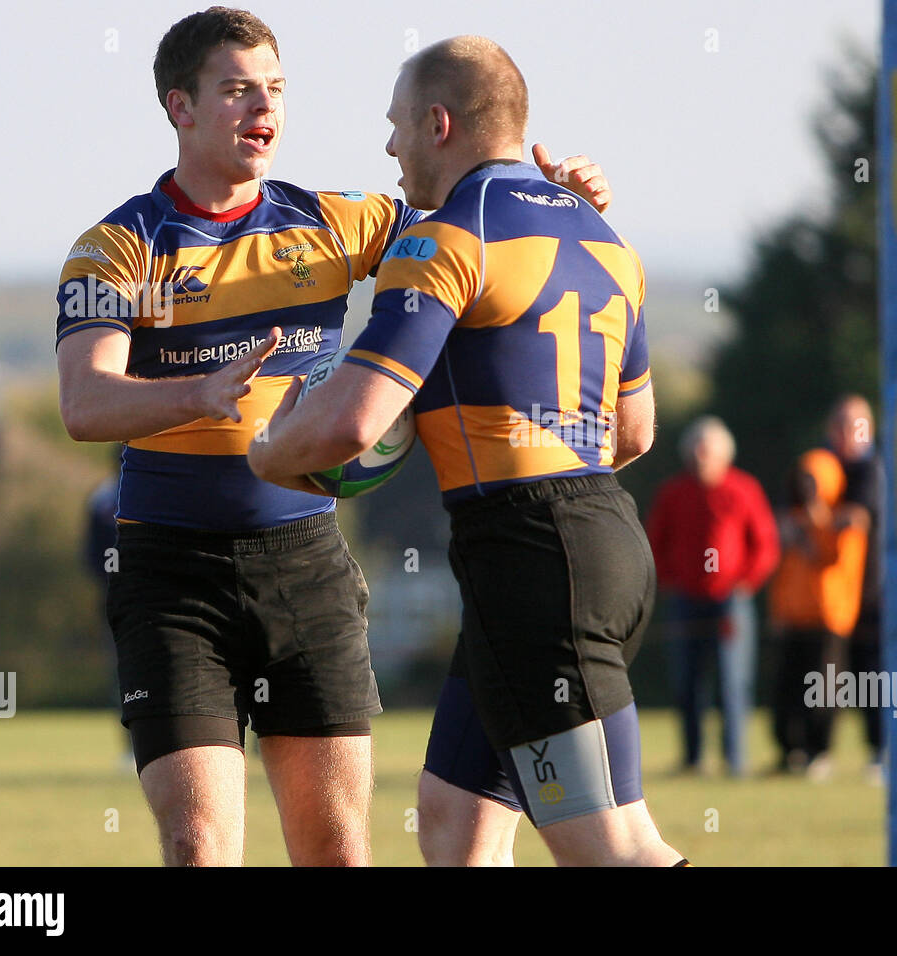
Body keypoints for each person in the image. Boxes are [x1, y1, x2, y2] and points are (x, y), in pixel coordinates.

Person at [55, 7, 610, 866]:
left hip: (306, 566)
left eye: (273, 89)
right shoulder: (119, 247)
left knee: (338, 852)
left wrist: (562, 205)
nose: (261, 107)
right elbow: (86, 404)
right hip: (170, 573)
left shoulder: (335, 221)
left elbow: (474, 229)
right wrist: (203, 391)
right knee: (199, 844)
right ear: (180, 107)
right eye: (236, 90)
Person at [250, 35, 686, 867]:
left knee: (617, 848)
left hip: (536, 560)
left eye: (397, 125)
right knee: (454, 822)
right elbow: (634, 435)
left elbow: (351, 423)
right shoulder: (605, 240)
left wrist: (268, 453)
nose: (388, 147)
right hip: (593, 540)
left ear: (438, 124)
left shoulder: (444, 241)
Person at [645, 416, 778, 776]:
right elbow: (655, 541)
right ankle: (692, 759)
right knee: (687, 681)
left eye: (708, 450)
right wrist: (669, 579)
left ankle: (735, 761)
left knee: (733, 680)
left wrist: (746, 582)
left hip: (731, 601)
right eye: (697, 450)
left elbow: (765, 544)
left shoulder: (744, 489)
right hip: (686, 600)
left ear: (724, 454)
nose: (702, 457)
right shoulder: (674, 492)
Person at [767, 448, 867, 780]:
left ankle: (819, 751)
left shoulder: (846, 519)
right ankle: (788, 750)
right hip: (794, 616)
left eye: (815, 480)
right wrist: (777, 609)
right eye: (804, 479)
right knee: (786, 688)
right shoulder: (792, 519)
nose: (809, 486)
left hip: (829, 617)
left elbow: (836, 562)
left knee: (823, 689)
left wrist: (813, 528)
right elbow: (781, 570)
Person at [825, 394, 886, 779]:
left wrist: (817, 519)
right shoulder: (828, 468)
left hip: (872, 591)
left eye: (857, 425)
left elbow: (856, 518)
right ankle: (816, 752)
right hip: (835, 594)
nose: (850, 433)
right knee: (829, 674)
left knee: (873, 674)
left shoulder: (870, 470)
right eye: (843, 425)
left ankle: (881, 750)